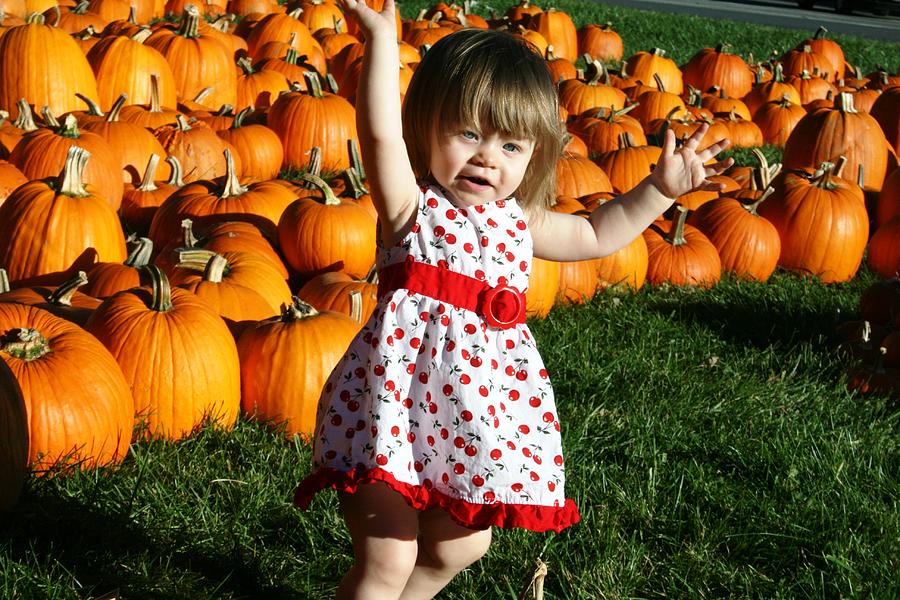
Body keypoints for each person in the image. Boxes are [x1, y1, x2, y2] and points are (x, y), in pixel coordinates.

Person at [294, 0, 733, 597]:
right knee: (389, 559)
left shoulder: (517, 222)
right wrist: (381, 41)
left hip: (464, 428)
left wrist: (660, 190)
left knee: (461, 545)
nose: (486, 156)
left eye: (511, 146)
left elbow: (595, 233)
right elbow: (378, 133)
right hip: (389, 416)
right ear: (427, 126)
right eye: (468, 133)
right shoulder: (412, 209)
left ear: (533, 155)